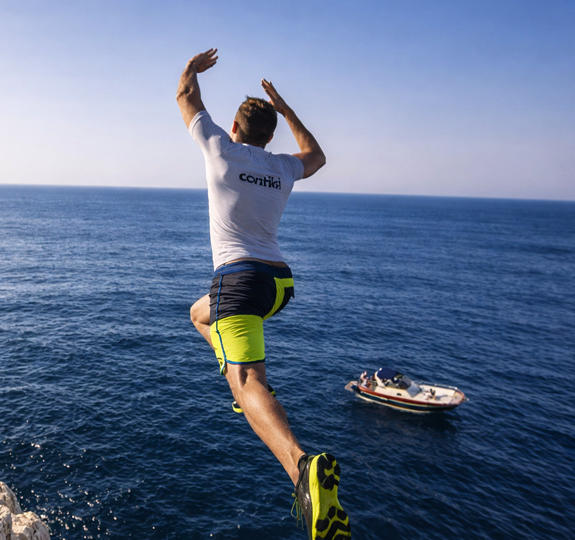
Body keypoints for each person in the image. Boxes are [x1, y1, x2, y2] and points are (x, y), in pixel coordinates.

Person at [177, 48, 351, 540]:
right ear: (271, 136)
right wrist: (285, 106)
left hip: (238, 282)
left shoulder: (220, 149)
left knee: (248, 381)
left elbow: (185, 95)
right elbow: (317, 156)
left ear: (234, 127)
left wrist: (191, 68)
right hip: (278, 285)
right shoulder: (282, 166)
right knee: (198, 314)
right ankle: (247, 388)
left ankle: (302, 468)